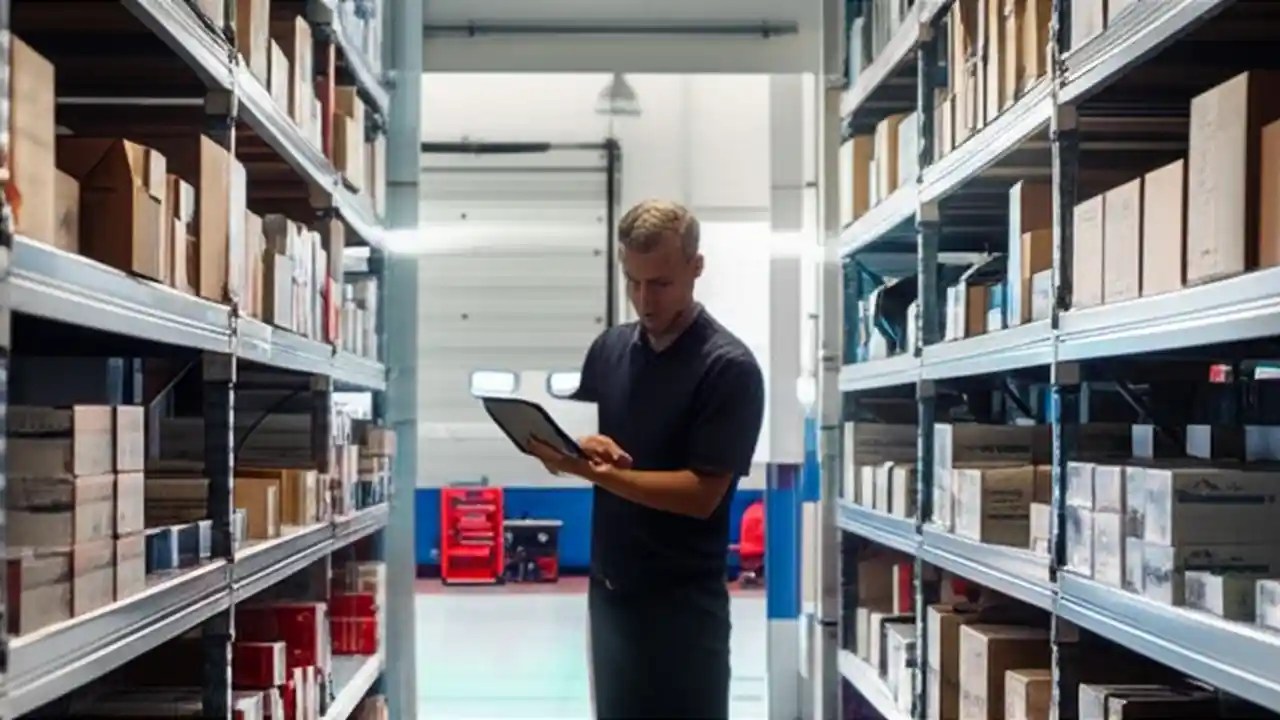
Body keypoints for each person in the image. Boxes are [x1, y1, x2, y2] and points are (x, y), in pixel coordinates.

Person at [527, 199, 765, 719]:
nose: (643, 299)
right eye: (632, 282)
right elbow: (608, 445)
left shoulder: (728, 368)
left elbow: (703, 495)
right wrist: (578, 450)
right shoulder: (609, 350)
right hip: (610, 597)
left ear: (696, 267)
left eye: (659, 283)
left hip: (682, 608)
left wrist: (599, 474)